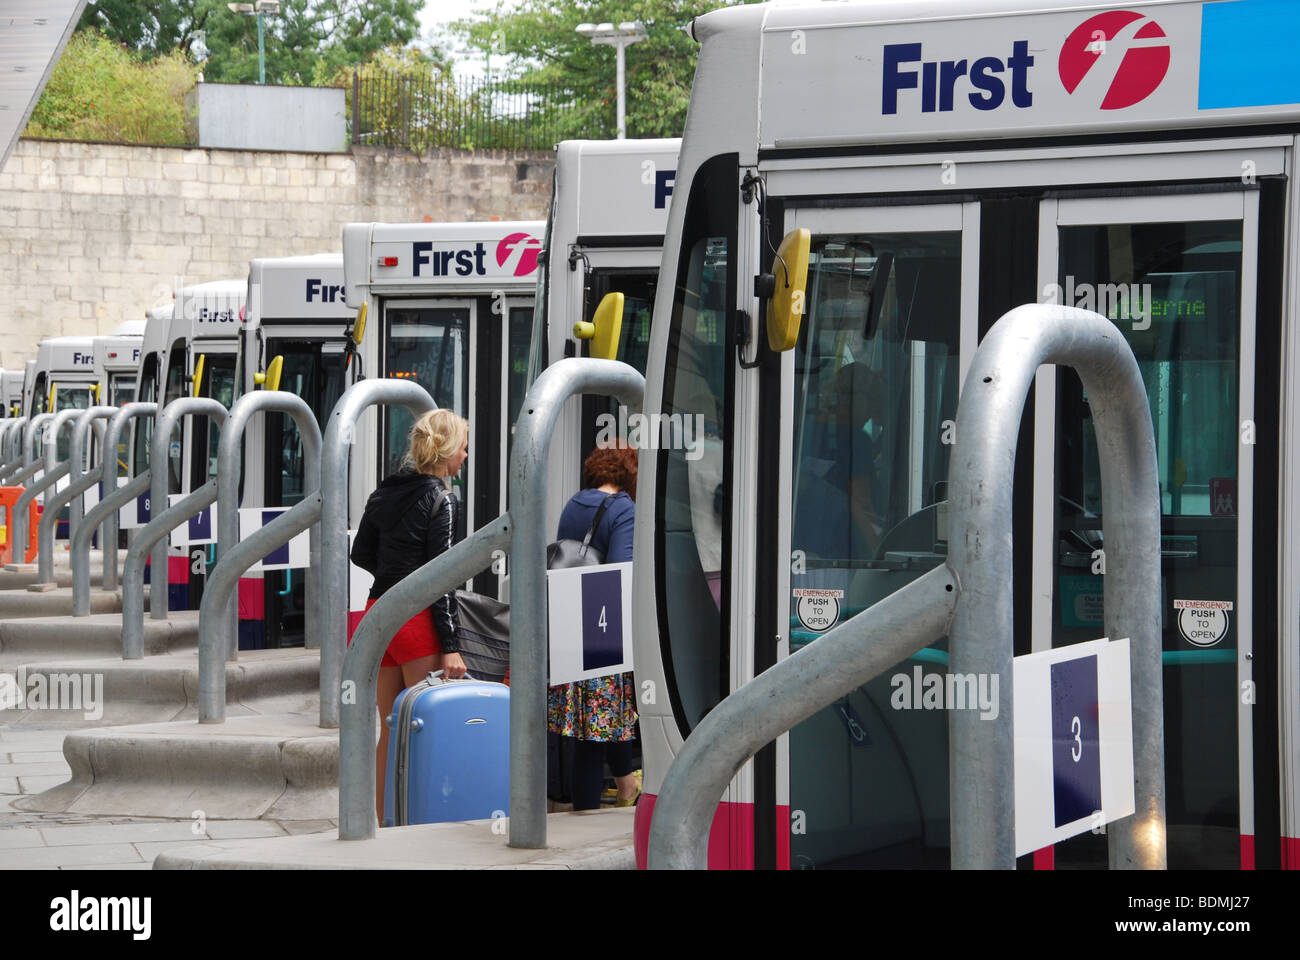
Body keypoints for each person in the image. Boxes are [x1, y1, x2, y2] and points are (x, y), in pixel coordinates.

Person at [350, 408, 470, 819]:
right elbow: (443, 579)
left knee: (391, 727)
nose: (466, 457)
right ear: (448, 450)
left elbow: (360, 552)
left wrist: (393, 575)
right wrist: (451, 646)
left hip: (378, 615)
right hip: (418, 622)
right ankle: (421, 820)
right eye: (465, 448)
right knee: (426, 729)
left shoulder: (383, 492)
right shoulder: (443, 499)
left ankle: (383, 820)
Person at [549, 443, 641, 810]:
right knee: (594, 728)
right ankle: (585, 814)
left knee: (602, 715)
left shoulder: (574, 503)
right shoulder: (624, 510)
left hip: (568, 616)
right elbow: (621, 569)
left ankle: (626, 785)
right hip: (603, 623)